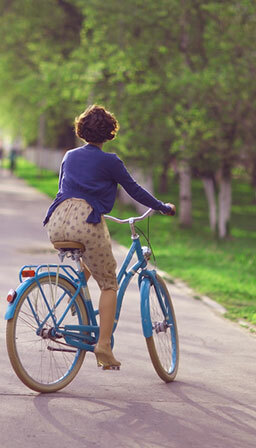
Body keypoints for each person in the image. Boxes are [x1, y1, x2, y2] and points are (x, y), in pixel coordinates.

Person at [43, 105, 175, 371]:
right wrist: (161, 206)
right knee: (109, 283)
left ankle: (74, 297)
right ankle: (103, 344)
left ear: (81, 130)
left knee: (92, 261)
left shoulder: (69, 156)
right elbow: (134, 190)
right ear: (109, 133)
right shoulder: (110, 161)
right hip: (86, 222)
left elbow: (62, 188)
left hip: (57, 222)